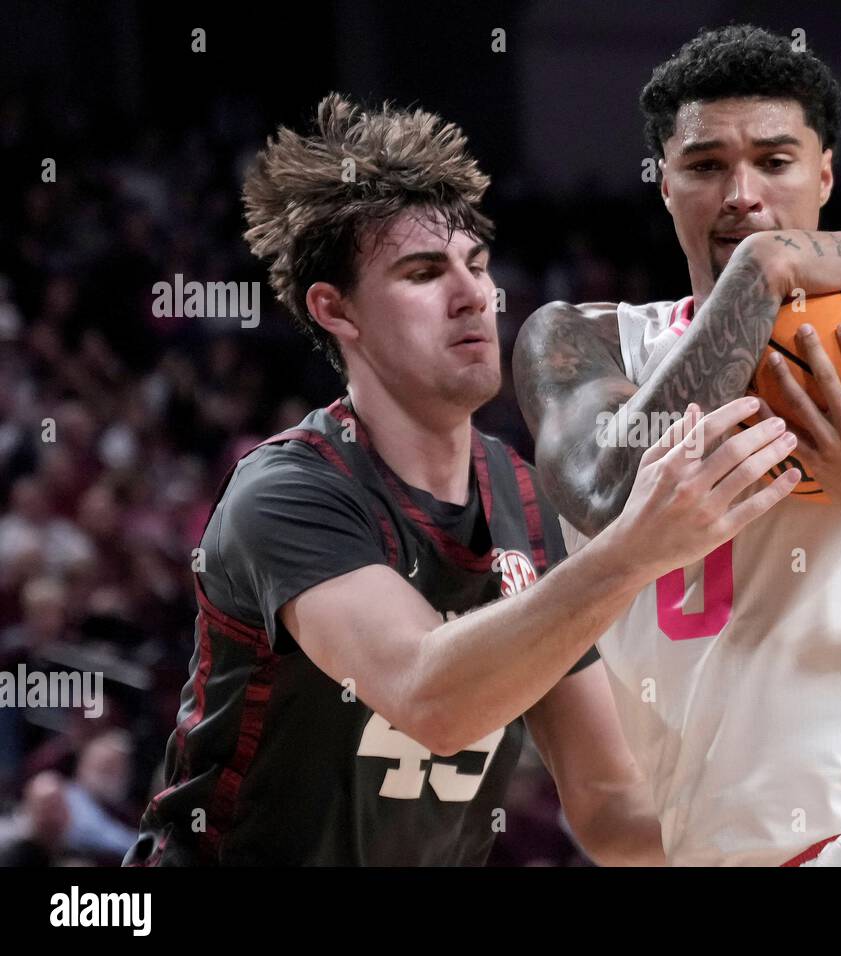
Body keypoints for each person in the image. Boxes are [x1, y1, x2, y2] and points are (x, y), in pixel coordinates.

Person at [124, 93, 796, 866]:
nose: (472, 293)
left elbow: (610, 805)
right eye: (423, 272)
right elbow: (429, 699)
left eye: (476, 266)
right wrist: (633, 551)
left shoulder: (525, 500)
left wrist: (783, 841)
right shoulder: (288, 492)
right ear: (334, 310)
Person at [515, 25, 841, 866]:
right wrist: (763, 274)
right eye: (706, 164)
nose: (742, 194)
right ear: (665, 184)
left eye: (775, 160)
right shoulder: (583, 342)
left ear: (824, 174)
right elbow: (604, 491)